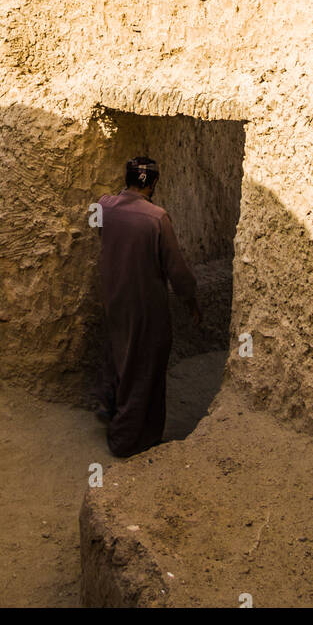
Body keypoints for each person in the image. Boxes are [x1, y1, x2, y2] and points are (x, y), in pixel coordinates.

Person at [95, 156, 201, 457]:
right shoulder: (157, 218)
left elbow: (101, 229)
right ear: (153, 183)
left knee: (118, 354)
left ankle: (107, 405)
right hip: (146, 307)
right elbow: (177, 271)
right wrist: (191, 301)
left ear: (127, 178)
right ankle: (127, 440)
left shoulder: (104, 206)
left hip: (114, 299)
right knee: (144, 370)